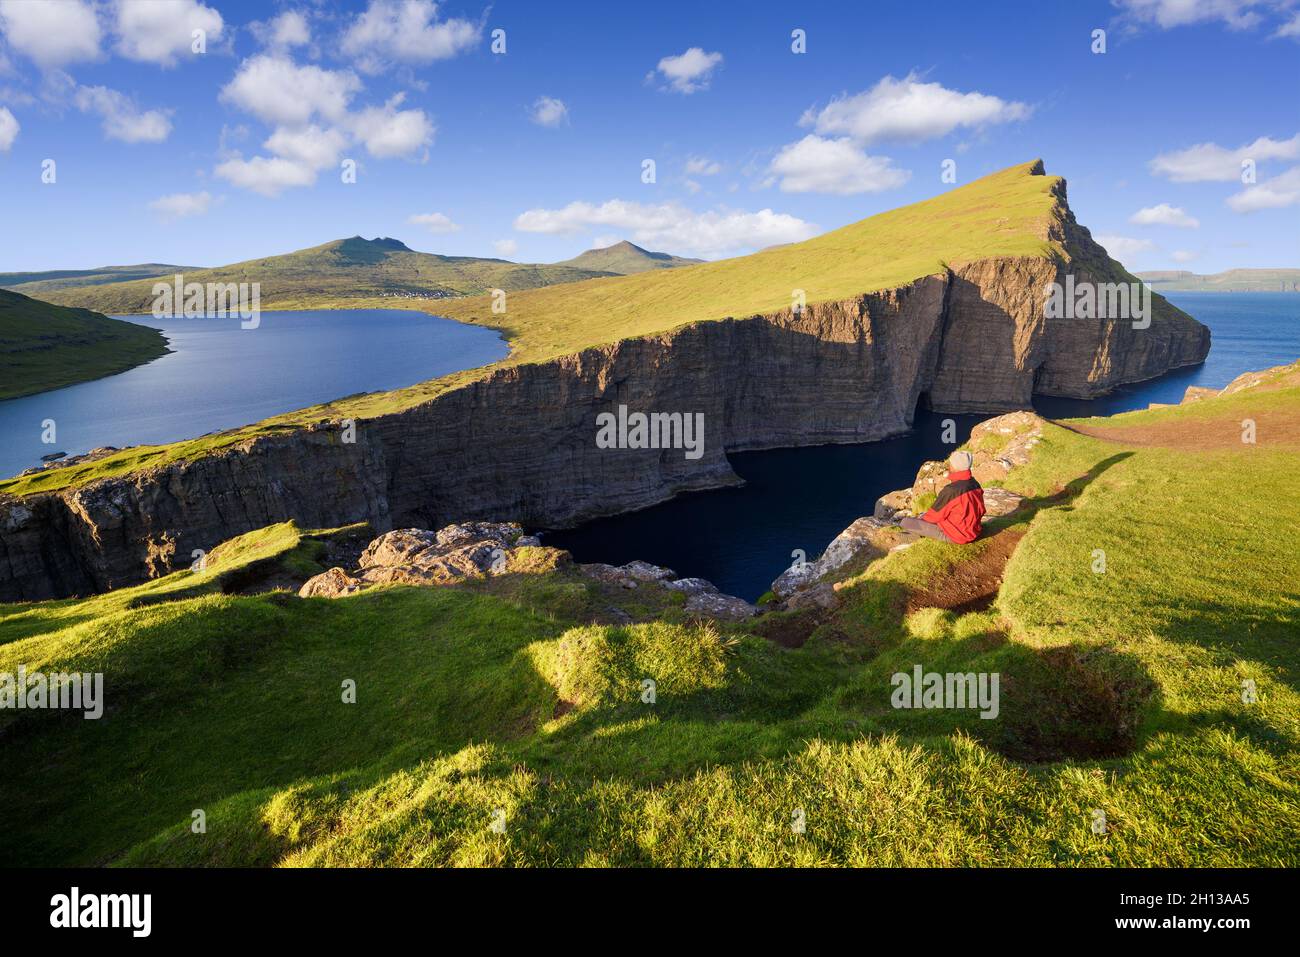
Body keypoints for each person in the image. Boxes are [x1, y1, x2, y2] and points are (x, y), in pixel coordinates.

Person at [899, 450, 986, 544]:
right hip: (974, 531)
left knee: (906, 522)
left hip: (957, 536)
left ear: (955, 467)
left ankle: (905, 542)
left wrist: (920, 520)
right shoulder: (975, 484)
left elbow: (933, 517)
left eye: (951, 463)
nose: (949, 466)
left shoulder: (952, 490)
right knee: (922, 518)